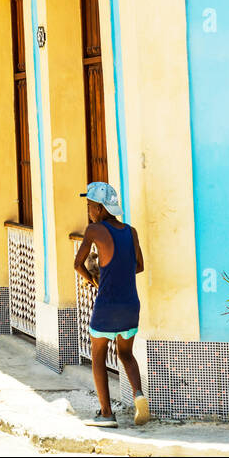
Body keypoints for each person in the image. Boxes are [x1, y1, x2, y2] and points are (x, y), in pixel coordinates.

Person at [73, 182, 150, 428]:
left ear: (99, 207)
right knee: (126, 354)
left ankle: (106, 413)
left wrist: (94, 279)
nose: (89, 211)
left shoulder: (94, 230)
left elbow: (78, 264)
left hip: (106, 305)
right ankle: (139, 394)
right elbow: (139, 266)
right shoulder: (131, 231)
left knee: (97, 357)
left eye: (90, 206)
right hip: (130, 305)